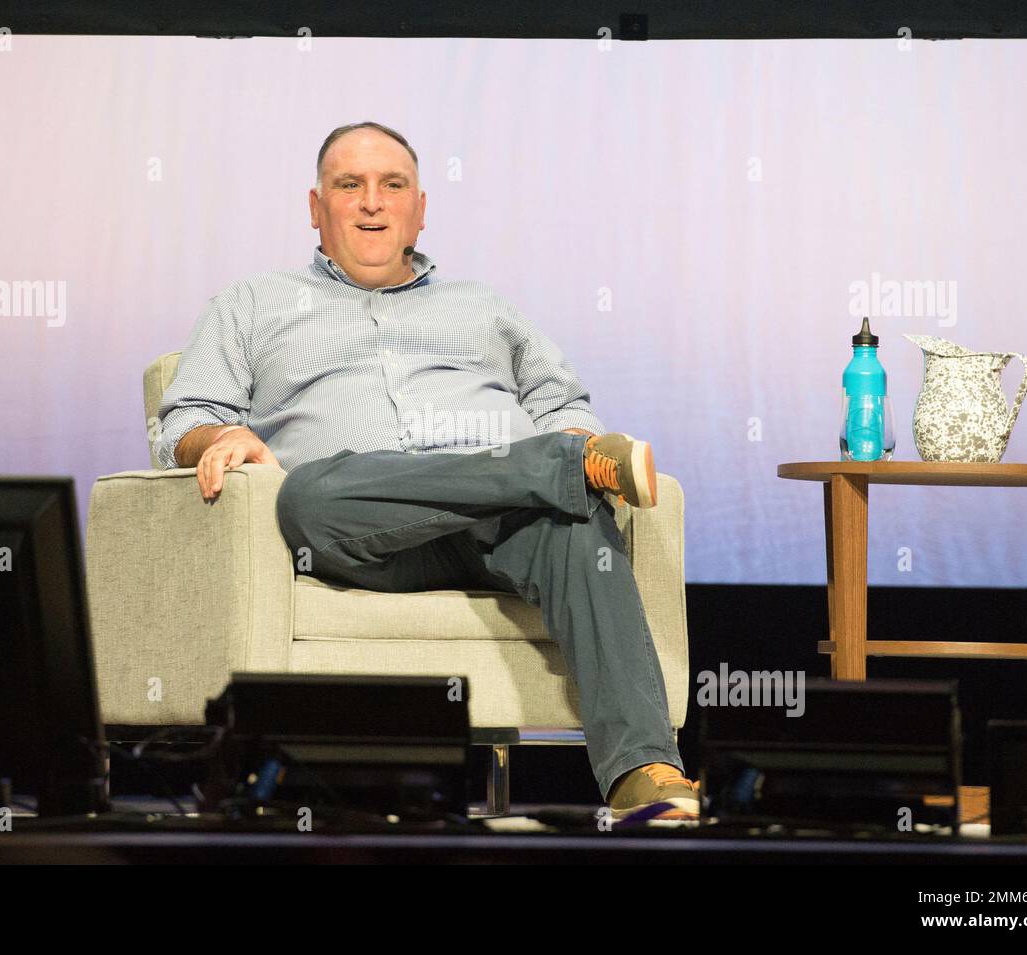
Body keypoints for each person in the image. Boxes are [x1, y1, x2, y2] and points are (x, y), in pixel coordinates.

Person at [155, 121, 697, 820]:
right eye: (349, 185)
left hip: (502, 530)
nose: (372, 202)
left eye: (392, 185)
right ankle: (550, 468)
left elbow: (563, 402)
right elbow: (181, 420)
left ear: (420, 208)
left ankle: (643, 773)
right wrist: (222, 435)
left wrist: (572, 439)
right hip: (361, 533)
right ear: (316, 207)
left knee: (576, 521)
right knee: (306, 493)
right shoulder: (252, 304)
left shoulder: (483, 308)